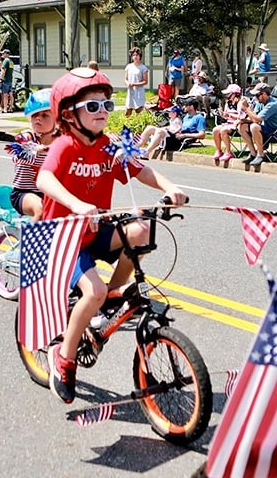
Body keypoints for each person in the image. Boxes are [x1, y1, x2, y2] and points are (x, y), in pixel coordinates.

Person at [35, 67, 186, 403]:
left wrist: (170, 187)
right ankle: (65, 357)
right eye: (93, 106)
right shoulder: (64, 145)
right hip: (63, 239)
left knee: (142, 229)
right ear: (69, 114)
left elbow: (140, 169)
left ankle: (116, 291)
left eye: (107, 105)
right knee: (94, 291)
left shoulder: (107, 146)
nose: (102, 111)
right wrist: (76, 205)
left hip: (94, 231)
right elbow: (44, 181)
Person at [9, 89, 55, 222]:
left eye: (45, 115)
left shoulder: (61, 140)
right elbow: (19, 145)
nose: (39, 118)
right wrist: (34, 148)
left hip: (51, 193)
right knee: (40, 209)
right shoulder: (29, 136)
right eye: (35, 115)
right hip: (23, 193)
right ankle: (32, 242)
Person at [238, 82, 277, 167]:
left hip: (274, 131)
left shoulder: (273, 104)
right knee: (242, 126)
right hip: (265, 128)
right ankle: (253, 153)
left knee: (254, 126)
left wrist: (246, 108)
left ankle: (260, 155)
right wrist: (242, 120)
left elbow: (257, 119)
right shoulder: (260, 103)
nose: (255, 98)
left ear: (264, 94)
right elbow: (253, 117)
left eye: (257, 95)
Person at [211, 83, 245, 164]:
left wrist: (229, 115)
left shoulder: (241, 102)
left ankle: (229, 152)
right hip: (229, 124)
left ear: (234, 94)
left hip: (238, 125)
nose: (227, 95)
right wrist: (223, 115)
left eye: (229, 93)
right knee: (215, 130)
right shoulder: (228, 103)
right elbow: (226, 116)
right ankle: (219, 150)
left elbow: (241, 116)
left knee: (223, 130)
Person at [124, 47, 148, 117]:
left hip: (139, 92)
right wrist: (127, 83)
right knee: (127, 111)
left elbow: (145, 81)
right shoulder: (129, 66)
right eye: (133, 55)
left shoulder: (143, 68)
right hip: (130, 91)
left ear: (140, 56)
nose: (135, 57)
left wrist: (134, 84)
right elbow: (125, 78)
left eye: (137, 55)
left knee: (138, 110)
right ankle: (127, 125)